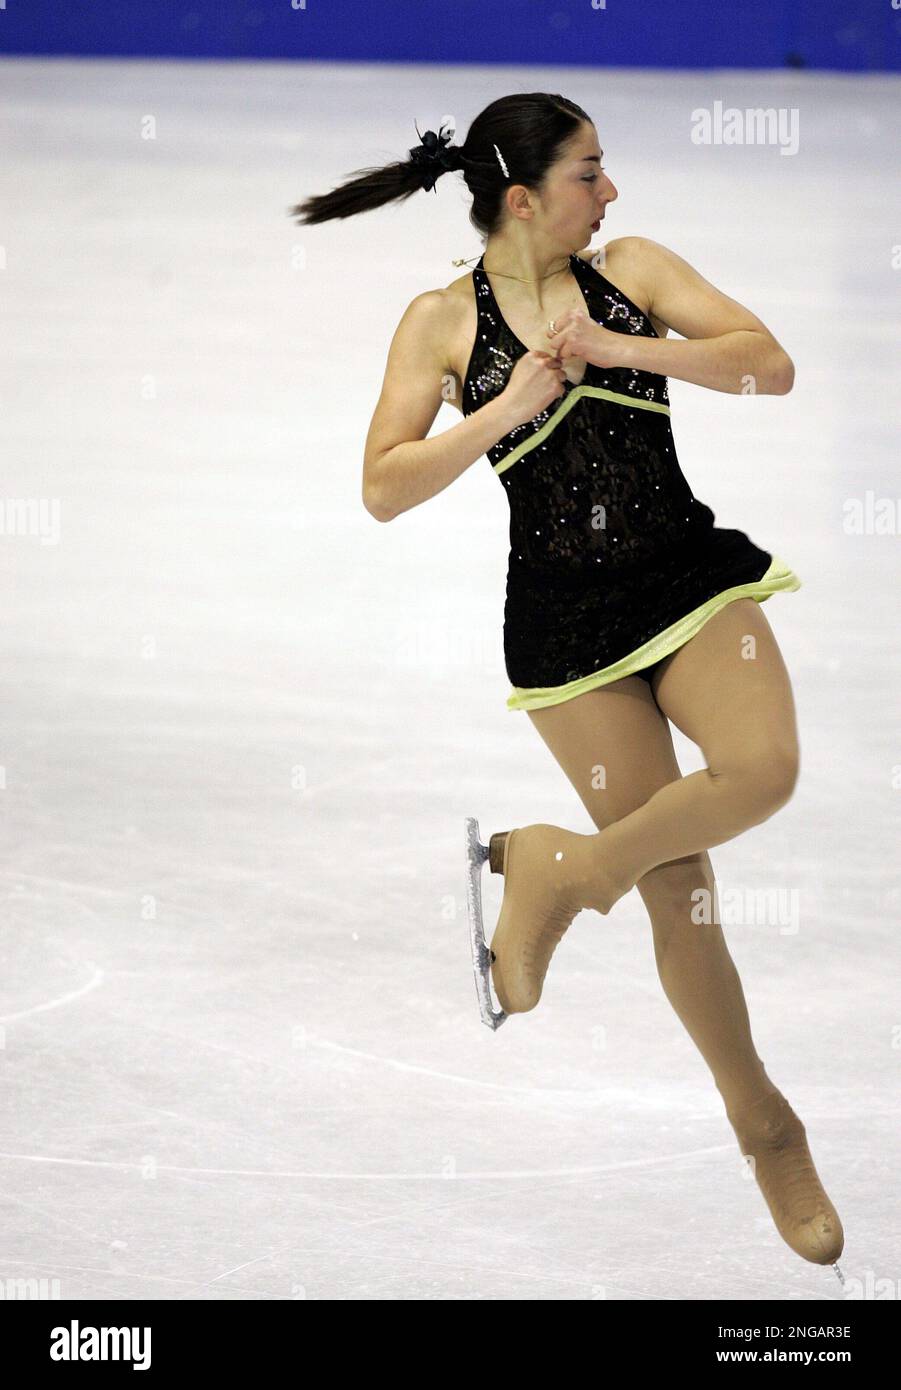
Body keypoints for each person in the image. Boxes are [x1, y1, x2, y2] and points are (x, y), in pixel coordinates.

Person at [291, 93, 844, 1272]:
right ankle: (768, 1128)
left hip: (686, 582)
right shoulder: (441, 322)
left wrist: (620, 347)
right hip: (562, 631)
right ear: (525, 195)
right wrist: (503, 404)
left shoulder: (630, 271)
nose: (612, 192)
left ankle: (562, 869)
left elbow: (770, 367)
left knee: (764, 770)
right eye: (592, 173)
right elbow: (383, 487)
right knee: (680, 889)